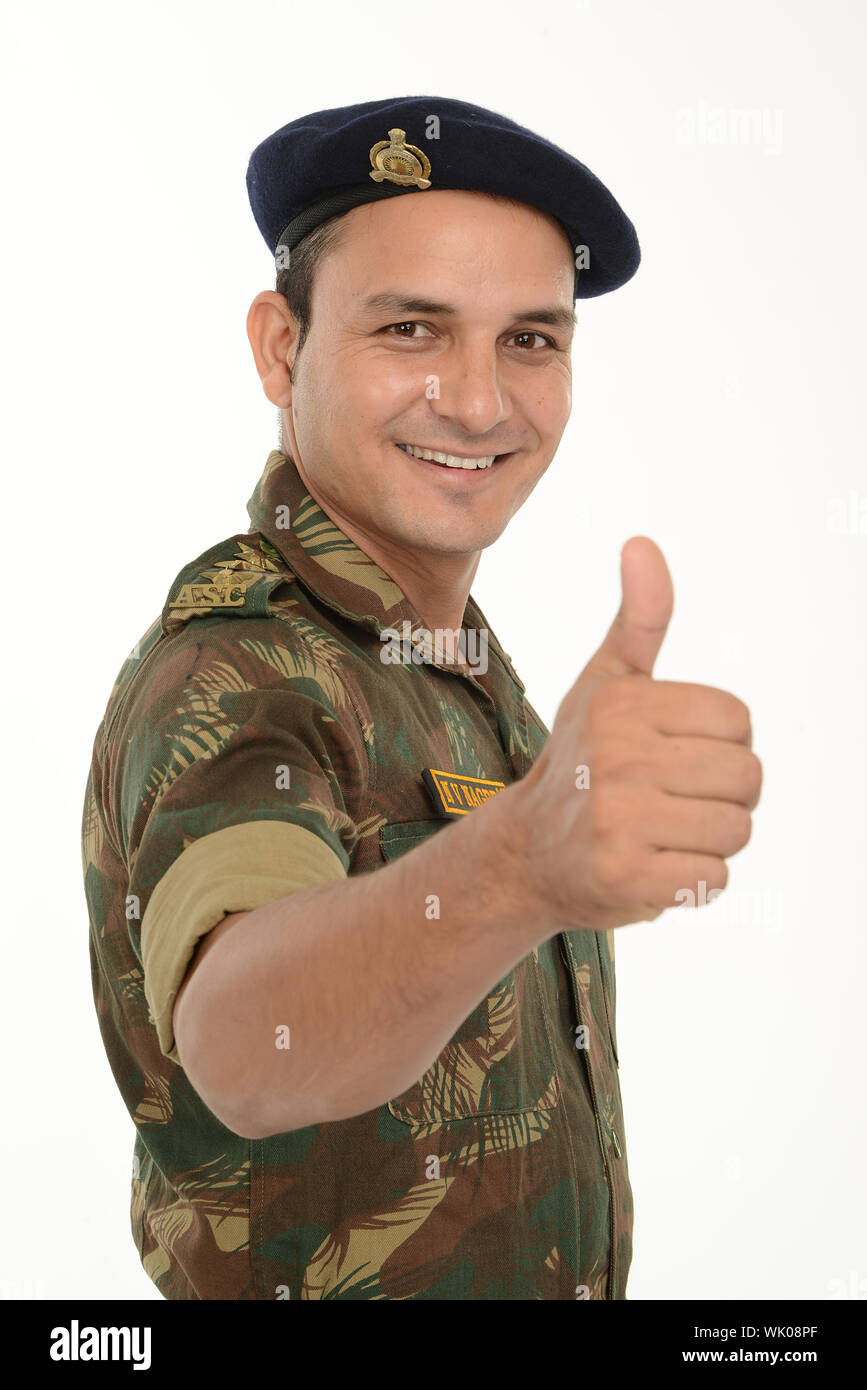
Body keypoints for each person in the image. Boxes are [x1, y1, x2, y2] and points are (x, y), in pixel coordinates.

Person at [81, 95, 762, 1300]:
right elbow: (243, 1042)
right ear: (281, 348)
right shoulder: (238, 663)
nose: (480, 401)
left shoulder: (457, 673)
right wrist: (521, 865)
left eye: (531, 341)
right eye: (412, 329)